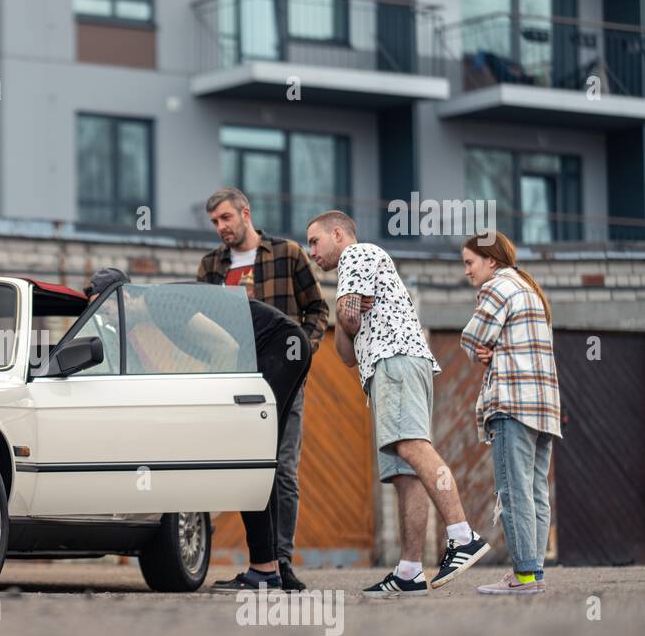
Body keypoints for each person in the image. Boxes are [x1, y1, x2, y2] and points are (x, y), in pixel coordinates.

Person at [82, 268, 313, 591]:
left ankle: (265, 570)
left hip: (281, 347)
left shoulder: (161, 304)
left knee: (253, 459)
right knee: (258, 461)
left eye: (106, 306)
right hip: (279, 348)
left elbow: (225, 349)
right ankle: (272, 569)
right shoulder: (156, 311)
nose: (107, 316)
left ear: (127, 296)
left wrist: (218, 400)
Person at [304, 210, 489, 596]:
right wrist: (347, 313)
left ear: (338, 234)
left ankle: (462, 534)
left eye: (314, 242)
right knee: (405, 473)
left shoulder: (358, 254)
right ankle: (409, 571)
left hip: (394, 361)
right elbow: (345, 352)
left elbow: (349, 323)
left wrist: (347, 313)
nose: (311, 252)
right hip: (392, 366)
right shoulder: (355, 271)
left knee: (412, 445)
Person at [198, 188, 328, 591]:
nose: (221, 228)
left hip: (282, 381)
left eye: (225, 218)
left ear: (245, 213)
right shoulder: (210, 267)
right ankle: (263, 563)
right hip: (234, 384)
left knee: (283, 471)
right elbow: (199, 322)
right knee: (246, 470)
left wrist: (300, 352)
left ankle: (281, 564)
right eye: (215, 222)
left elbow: (317, 309)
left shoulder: (287, 253)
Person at [459, 232, 561, 595]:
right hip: (543, 408)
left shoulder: (496, 288)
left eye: (470, 262)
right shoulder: (530, 290)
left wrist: (484, 348)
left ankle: (523, 576)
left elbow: (471, 339)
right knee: (535, 492)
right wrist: (493, 346)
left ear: (492, 261)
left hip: (513, 404)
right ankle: (534, 574)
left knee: (513, 491)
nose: (467, 271)